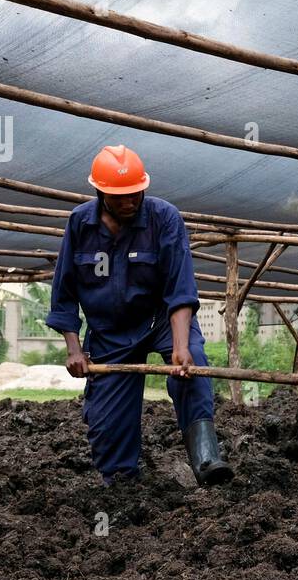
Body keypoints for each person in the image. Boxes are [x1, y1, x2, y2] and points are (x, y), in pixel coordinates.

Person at [47, 144, 232, 487]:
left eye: (135, 193)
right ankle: (122, 483)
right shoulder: (79, 225)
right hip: (109, 331)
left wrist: (180, 347)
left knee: (191, 368)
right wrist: (73, 349)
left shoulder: (164, 218)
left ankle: (207, 459)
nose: (130, 202)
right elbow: (64, 294)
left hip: (161, 318)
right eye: (120, 197)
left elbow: (180, 289)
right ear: (100, 192)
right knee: (108, 422)